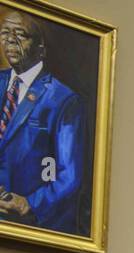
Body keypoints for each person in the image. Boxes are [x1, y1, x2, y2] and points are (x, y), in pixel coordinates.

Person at [0, 10, 86, 233]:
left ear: (41, 49)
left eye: (20, 34)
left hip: (25, 226)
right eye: (5, 32)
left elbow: (70, 176)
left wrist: (29, 204)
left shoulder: (63, 99)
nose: (10, 40)